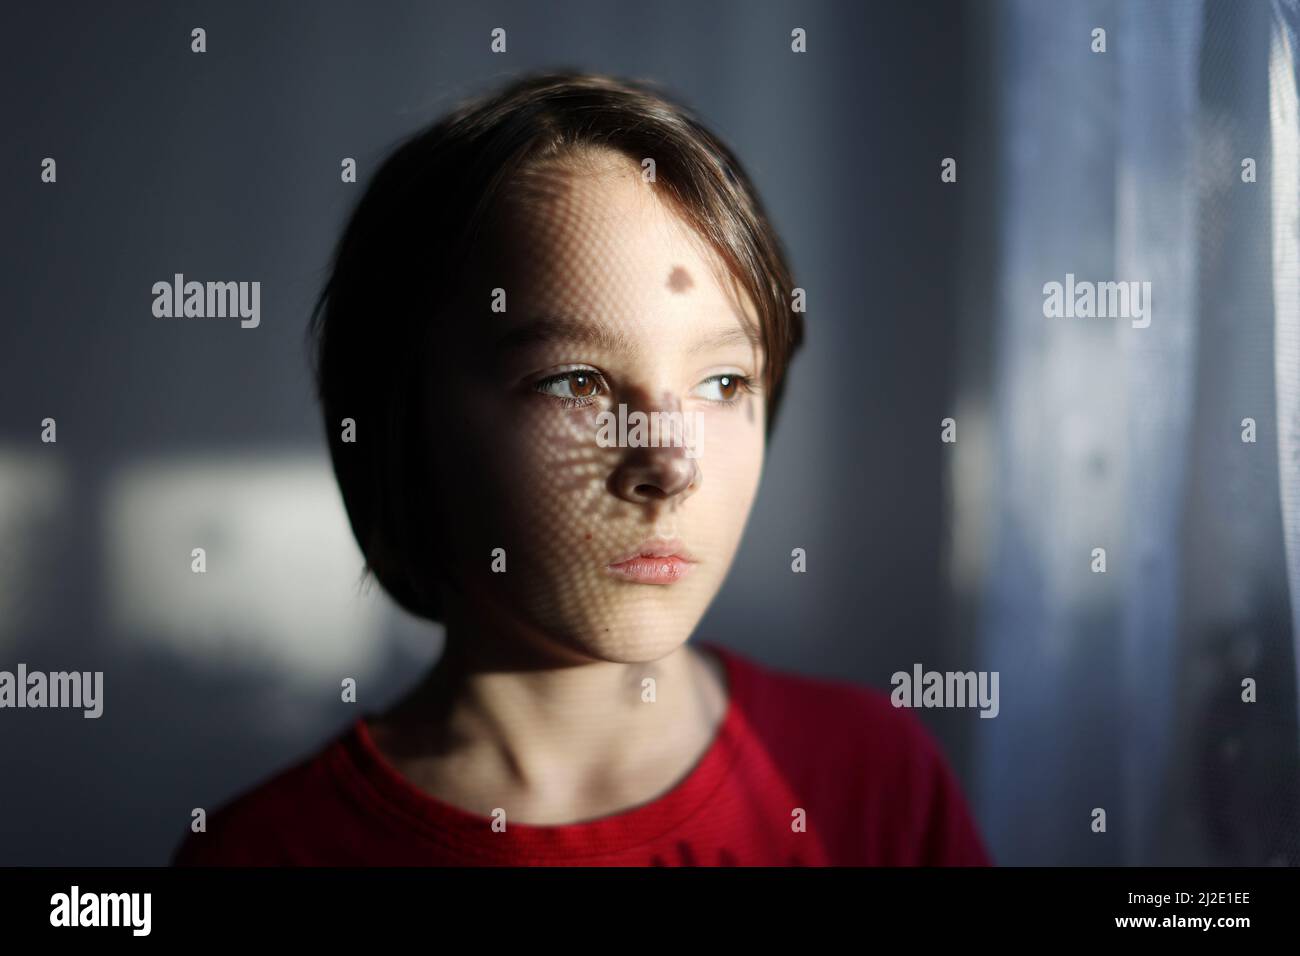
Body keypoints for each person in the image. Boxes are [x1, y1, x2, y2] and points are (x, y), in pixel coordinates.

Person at [172, 71, 991, 866]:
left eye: (722, 382)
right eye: (576, 383)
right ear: (401, 422)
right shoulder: (270, 852)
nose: (670, 464)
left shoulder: (869, 777)